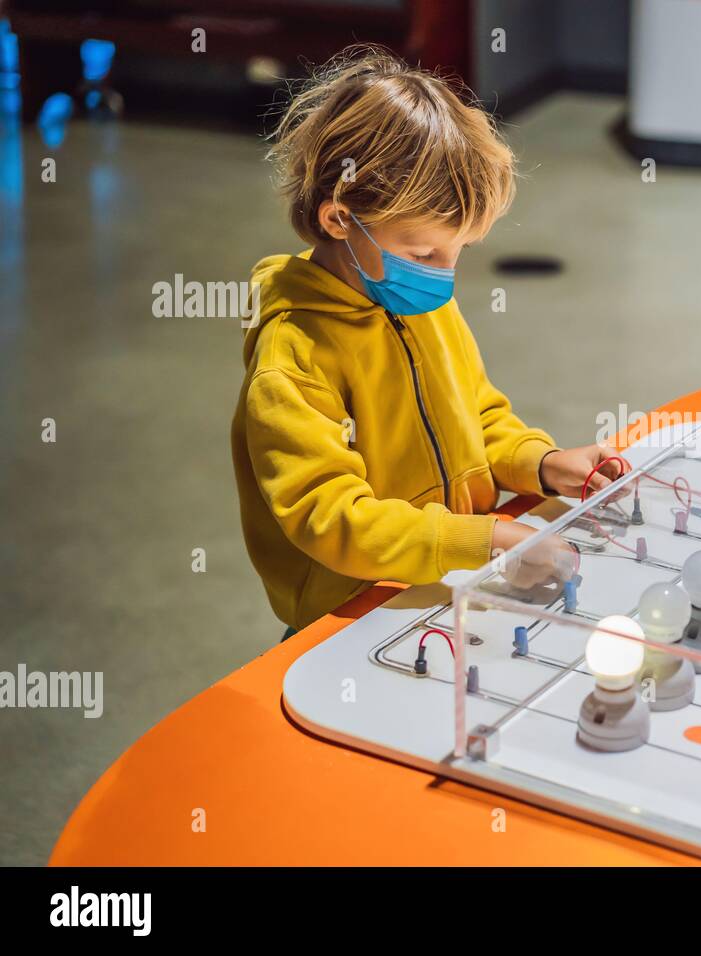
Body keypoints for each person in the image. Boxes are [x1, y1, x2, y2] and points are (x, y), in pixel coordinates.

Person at [231, 46, 615, 634]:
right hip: (353, 612)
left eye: (458, 252)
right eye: (423, 253)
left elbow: (477, 414)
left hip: (448, 580)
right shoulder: (294, 356)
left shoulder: (415, 300)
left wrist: (541, 462)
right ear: (338, 219)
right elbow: (331, 519)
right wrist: (480, 539)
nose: (442, 273)